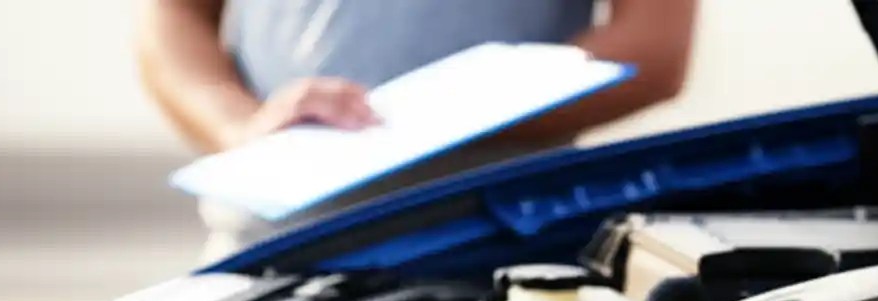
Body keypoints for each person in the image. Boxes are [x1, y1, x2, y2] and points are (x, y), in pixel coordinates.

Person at [137, 0, 698, 261]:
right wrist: (242, 129)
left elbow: (655, 47)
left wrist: (438, 113)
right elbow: (174, 16)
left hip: (492, 257)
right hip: (264, 250)